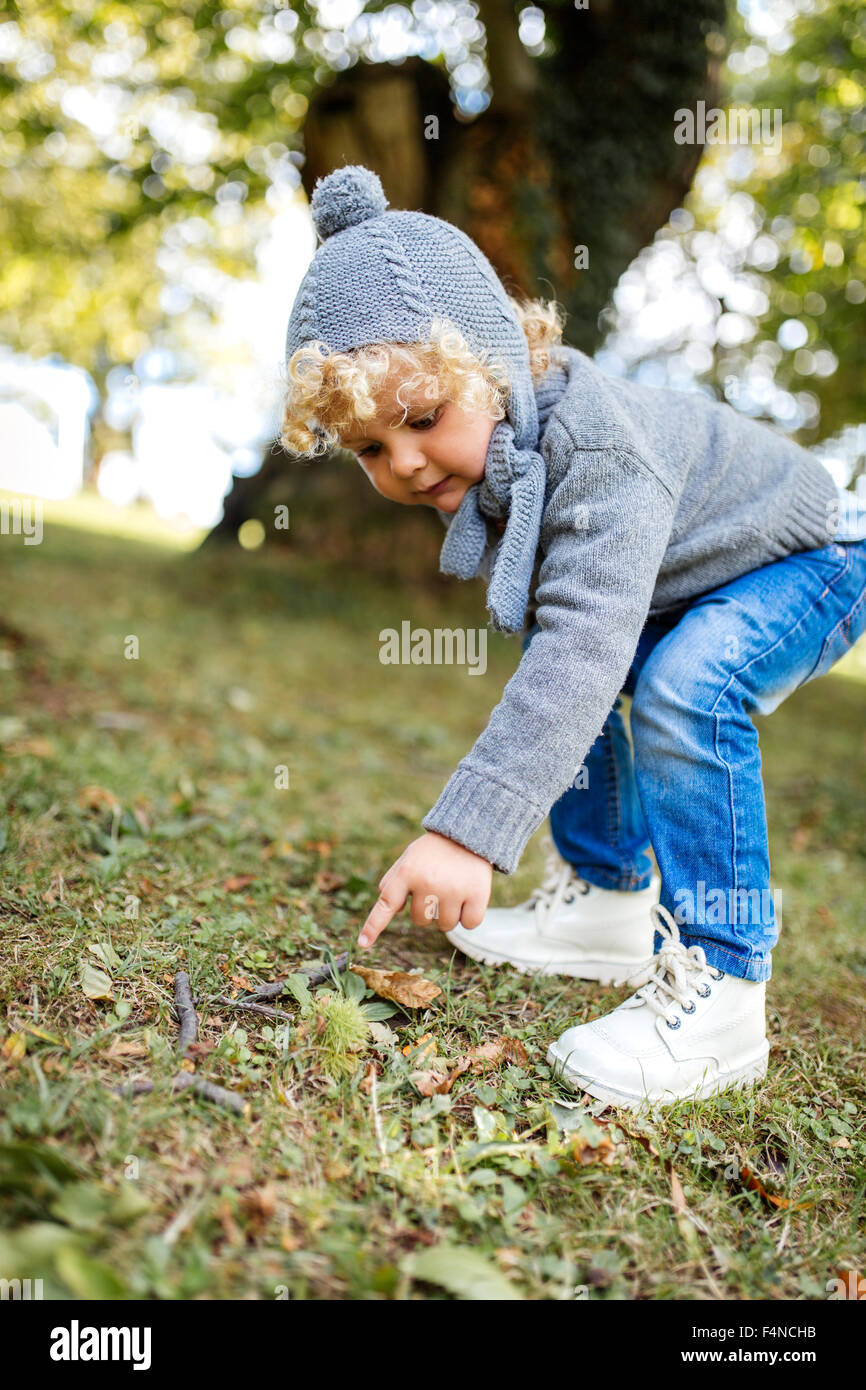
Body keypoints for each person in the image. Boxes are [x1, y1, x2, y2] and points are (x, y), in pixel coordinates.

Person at [280, 164, 866, 1110]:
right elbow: (567, 643)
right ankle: (604, 897)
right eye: (371, 450)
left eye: (424, 420)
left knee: (686, 686)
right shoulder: (503, 455)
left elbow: (585, 647)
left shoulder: (595, 450)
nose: (405, 462)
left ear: (496, 367)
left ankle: (723, 985)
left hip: (815, 556)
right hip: (709, 570)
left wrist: (467, 832)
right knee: (563, 652)